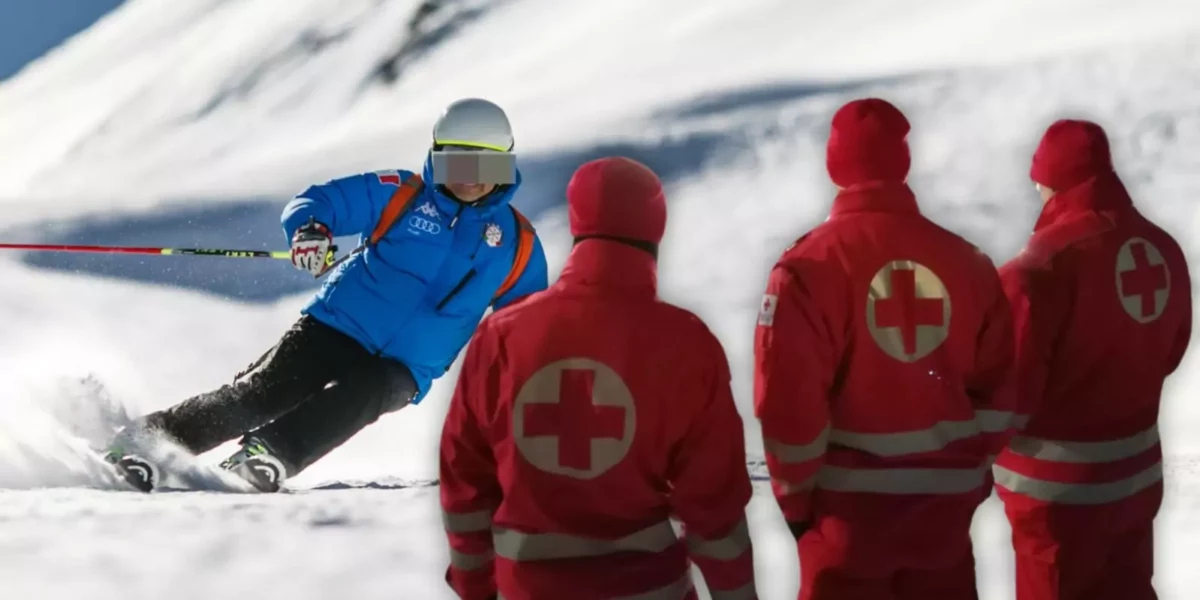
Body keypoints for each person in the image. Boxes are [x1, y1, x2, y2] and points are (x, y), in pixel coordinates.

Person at [103, 97, 549, 492]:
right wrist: (312, 230)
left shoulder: (518, 244)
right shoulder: (403, 194)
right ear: (436, 157)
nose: (470, 181)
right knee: (263, 394)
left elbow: (525, 327)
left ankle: (267, 456)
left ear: (505, 168)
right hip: (338, 324)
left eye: (485, 168)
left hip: (408, 365)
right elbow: (321, 201)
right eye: (457, 166)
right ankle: (144, 443)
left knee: (366, 396)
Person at [438, 157, 757, 600]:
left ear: (577, 225)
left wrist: (476, 588)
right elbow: (714, 506)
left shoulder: (501, 337)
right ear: (655, 229)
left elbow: (464, 480)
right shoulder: (687, 343)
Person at [754, 98, 1019, 600]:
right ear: (902, 163)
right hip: (944, 528)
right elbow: (999, 391)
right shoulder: (968, 263)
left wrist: (796, 506)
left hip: (844, 531)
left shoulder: (807, 270)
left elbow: (789, 408)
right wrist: (964, 478)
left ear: (835, 165)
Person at [992, 119, 1191, 600]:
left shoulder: (1036, 270)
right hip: (1137, 483)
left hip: (1055, 501)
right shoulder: (1164, 250)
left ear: (1051, 182)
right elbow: (1172, 350)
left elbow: (1005, 389)